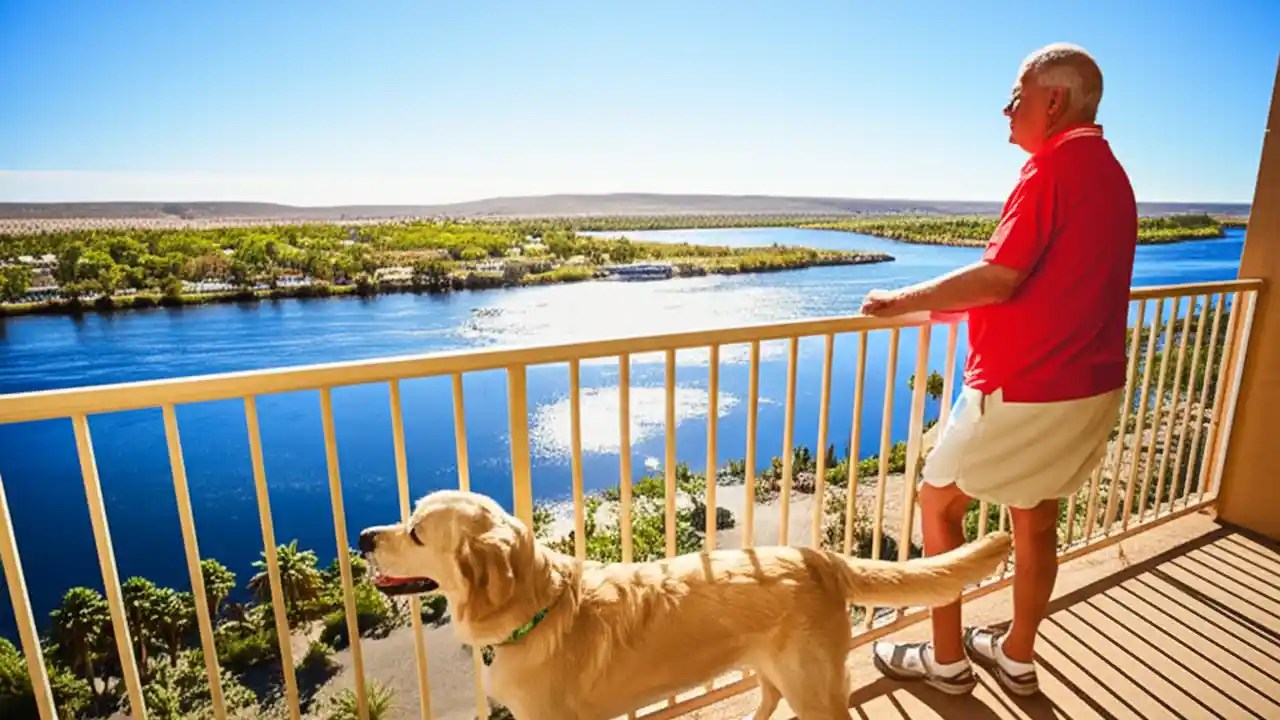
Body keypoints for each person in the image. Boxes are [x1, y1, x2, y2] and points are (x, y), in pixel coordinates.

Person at [862, 43, 1137, 697]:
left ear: (1054, 101)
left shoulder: (1050, 171)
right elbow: (1057, 283)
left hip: (1024, 386)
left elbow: (1000, 277)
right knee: (1035, 516)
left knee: (938, 504)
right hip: (1090, 384)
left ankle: (948, 662)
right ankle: (1016, 656)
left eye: (1016, 97)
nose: (1006, 111)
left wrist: (899, 301)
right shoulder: (1113, 175)